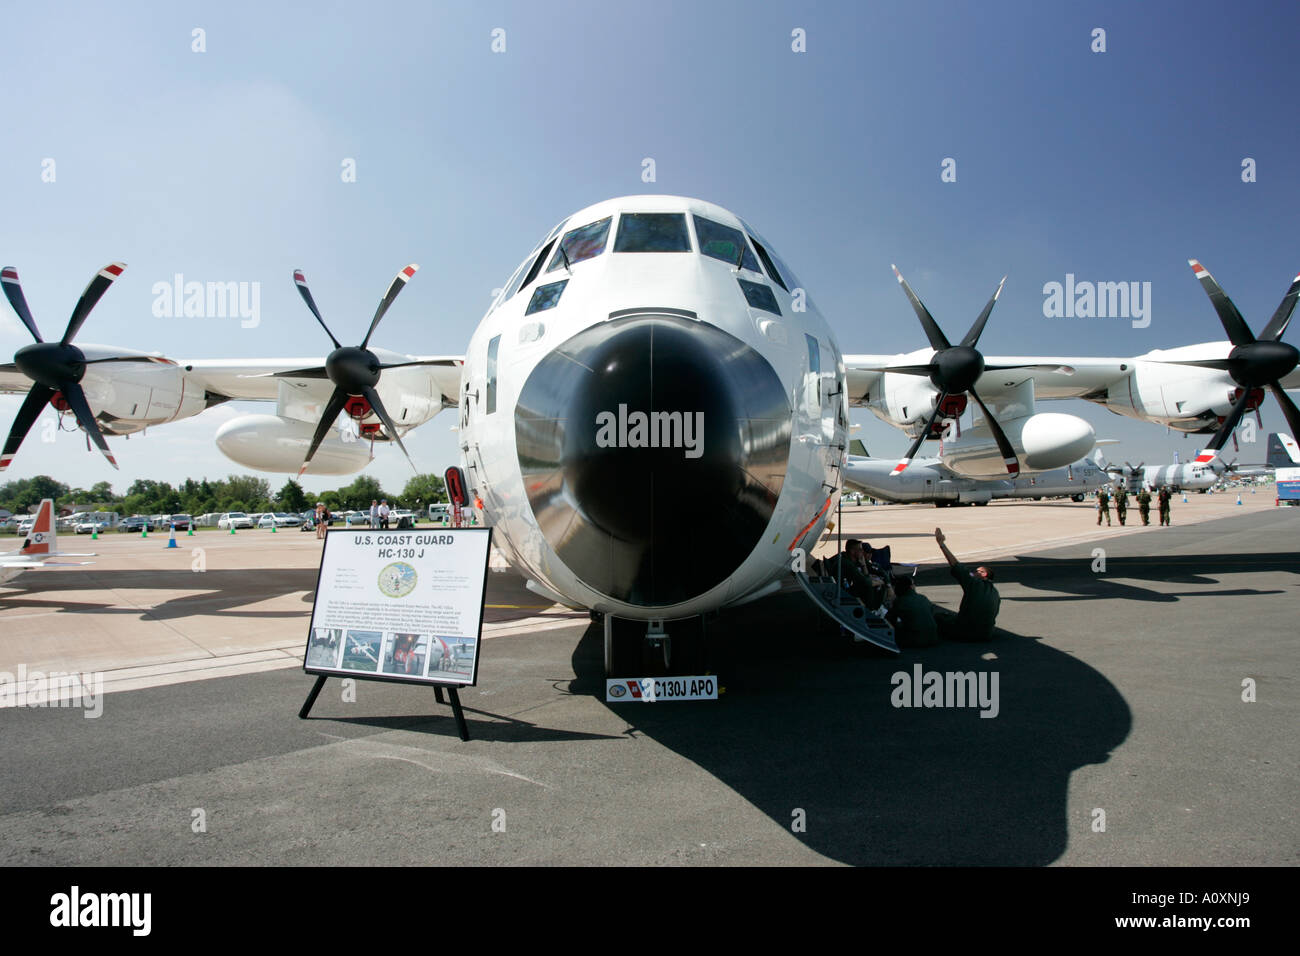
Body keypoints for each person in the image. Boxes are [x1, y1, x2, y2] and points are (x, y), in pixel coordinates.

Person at [932, 527, 1000, 642]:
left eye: (980, 571)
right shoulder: (995, 593)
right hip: (986, 634)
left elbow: (955, 565)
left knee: (938, 617)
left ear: (985, 576)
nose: (976, 572)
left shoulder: (974, 584)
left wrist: (941, 544)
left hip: (965, 632)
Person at [887, 573, 938, 648]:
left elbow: (890, 619)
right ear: (911, 587)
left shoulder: (900, 601)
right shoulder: (923, 598)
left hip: (915, 640)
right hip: (933, 638)